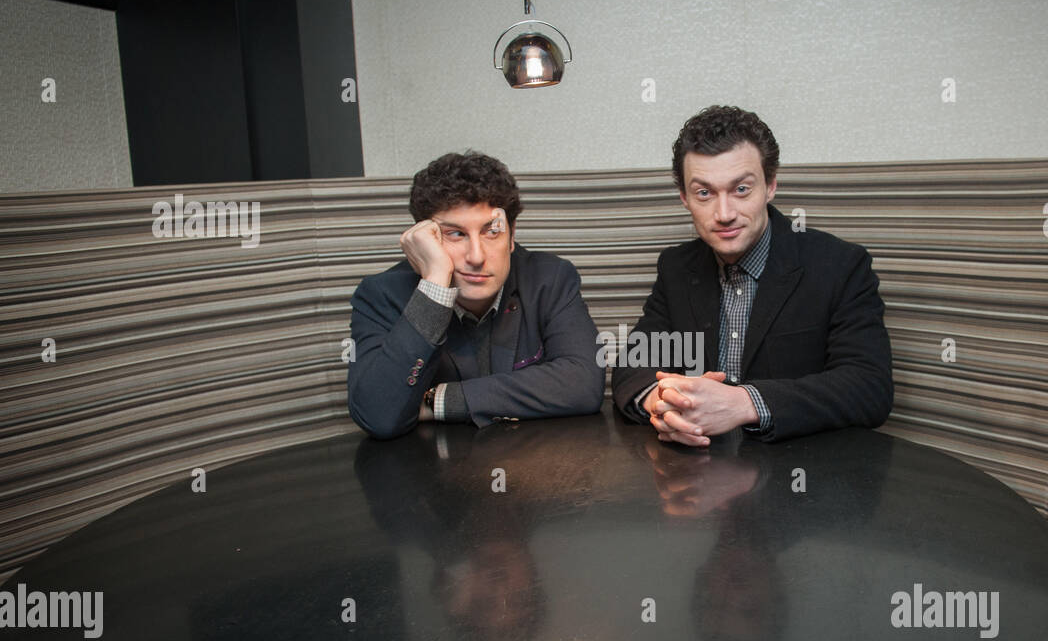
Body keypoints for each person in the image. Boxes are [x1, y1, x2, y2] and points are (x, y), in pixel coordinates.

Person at [611, 106, 893, 444]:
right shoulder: (676, 268)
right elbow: (633, 364)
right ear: (684, 197)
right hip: (695, 474)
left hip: (802, 480)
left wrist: (745, 403)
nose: (724, 213)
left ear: (770, 185)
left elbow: (869, 388)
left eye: (741, 189)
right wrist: (662, 401)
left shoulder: (840, 265)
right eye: (705, 193)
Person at [348, 150, 605, 438]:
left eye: (491, 231)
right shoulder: (381, 295)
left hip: (536, 465)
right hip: (428, 474)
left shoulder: (550, 279)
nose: (477, 256)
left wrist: (440, 401)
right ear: (424, 240)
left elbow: (584, 384)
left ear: (512, 235)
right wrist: (434, 284)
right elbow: (377, 414)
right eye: (455, 233)